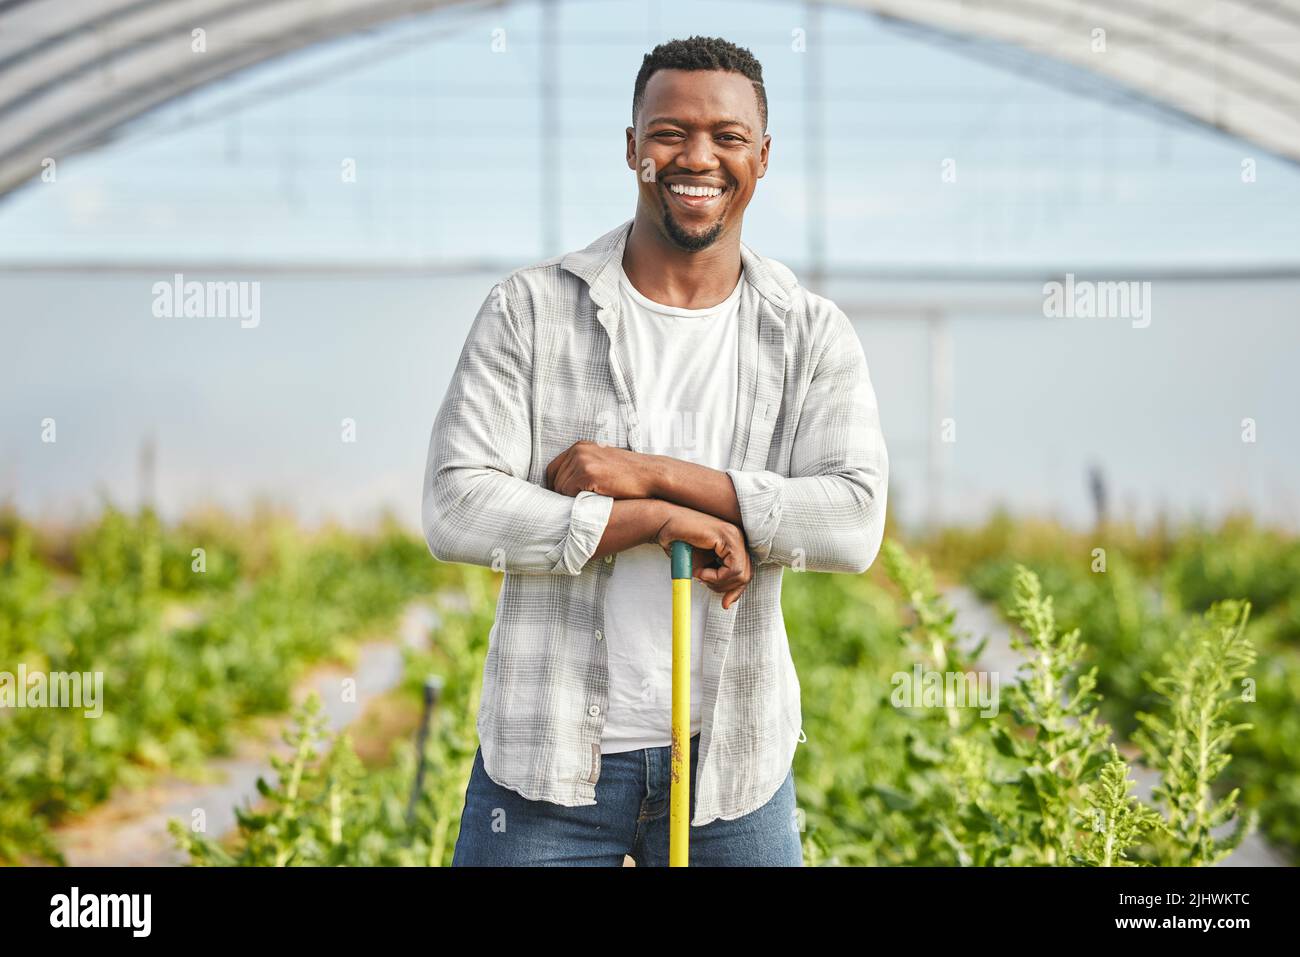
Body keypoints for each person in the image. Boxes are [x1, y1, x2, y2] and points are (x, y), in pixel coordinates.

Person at [421, 35, 889, 866]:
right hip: (547, 767)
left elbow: (852, 522)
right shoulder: (530, 311)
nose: (697, 156)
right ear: (633, 148)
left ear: (764, 156)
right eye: (669, 132)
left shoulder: (809, 332)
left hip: (733, 765)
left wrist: (648, 472)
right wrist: (654, 518)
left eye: (728, 136)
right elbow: (457, 507)